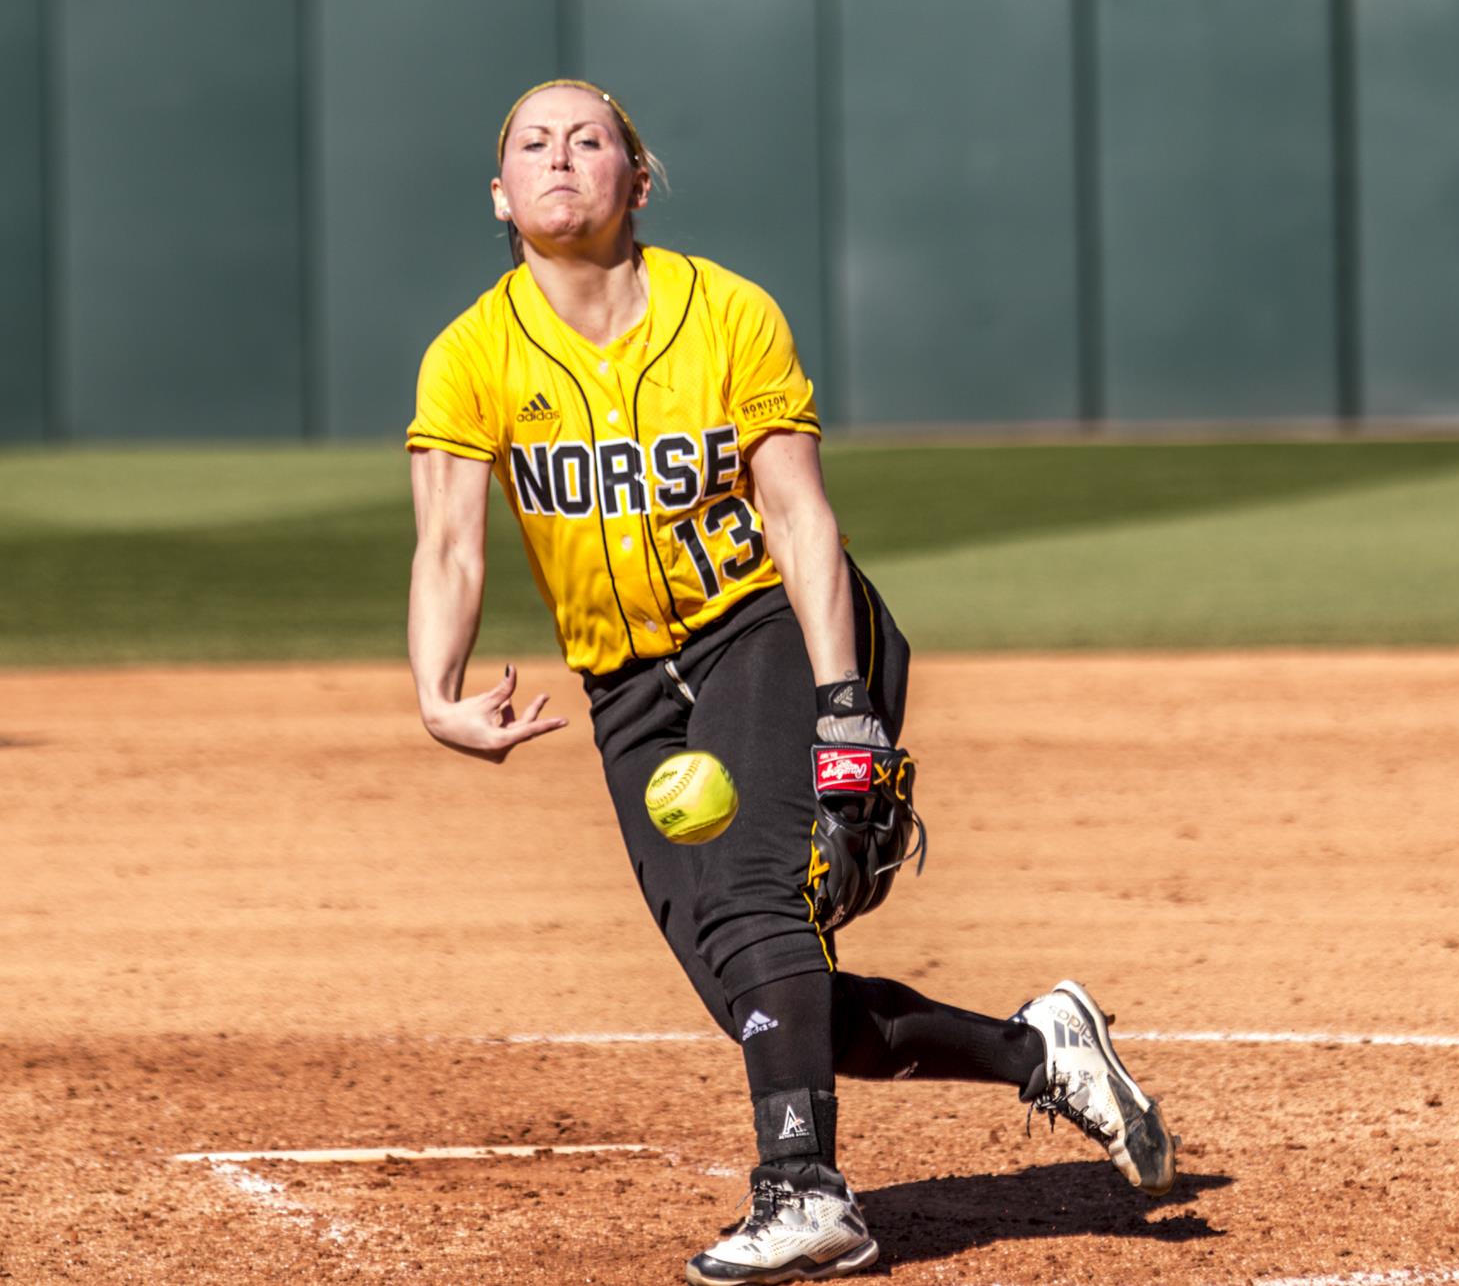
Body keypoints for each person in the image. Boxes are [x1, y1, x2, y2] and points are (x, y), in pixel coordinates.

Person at [405, 79, 1175, 1284]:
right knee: (763, 993)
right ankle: (1040, 1051)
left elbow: (799, 517)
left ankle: (804, 1191)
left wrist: (844, 705)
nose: (562, 158)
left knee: (756, 908)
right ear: (499, 195)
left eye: (590, 139)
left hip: (765, 626)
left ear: (637, 180)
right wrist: (434, 690)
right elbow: (451, 540)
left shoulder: (727, 316)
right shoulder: (471, 356)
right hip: (630, 691)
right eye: (533, 145)